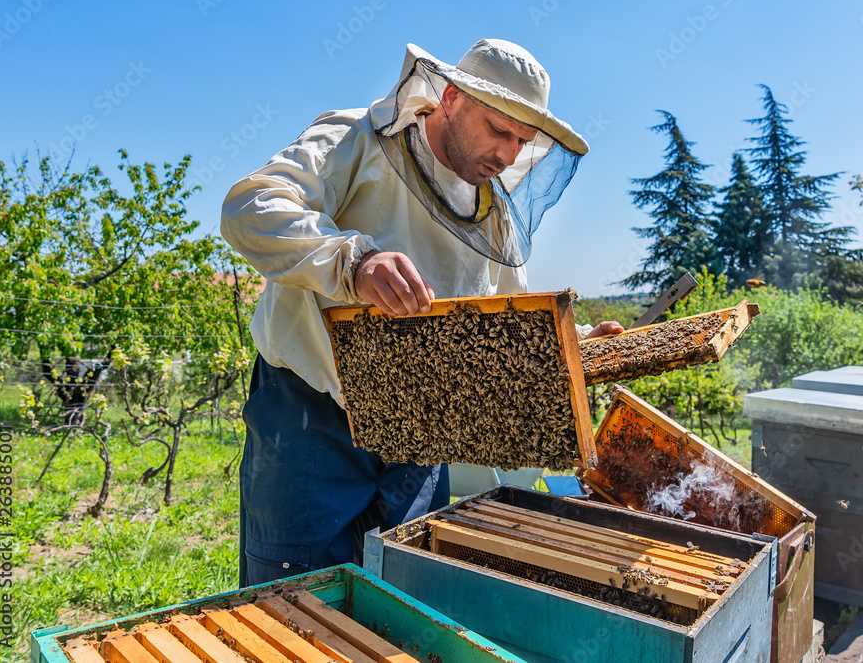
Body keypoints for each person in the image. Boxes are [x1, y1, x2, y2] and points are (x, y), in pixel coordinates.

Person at [221, 38, 622, 588]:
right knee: (294, 604)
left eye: (522, 141)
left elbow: (504, 333)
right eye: (498, 130)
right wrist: (353, 262)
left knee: (402, 603)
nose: (507, 154)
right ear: (451, 98)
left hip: (421, 440)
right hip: (311, 421)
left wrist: (568, 356)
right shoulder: (356, 137)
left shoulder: (493, 215)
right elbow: (250, 208)